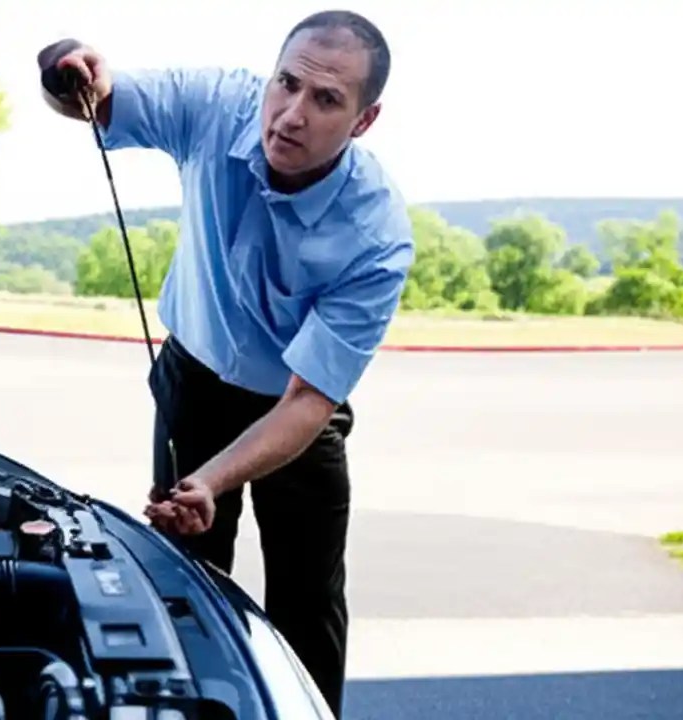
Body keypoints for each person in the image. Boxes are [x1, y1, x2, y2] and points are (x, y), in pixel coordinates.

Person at [37, 10, 413, 718]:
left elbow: (309, 400)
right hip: (193, 381)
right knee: (181, 586)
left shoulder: (377, 233)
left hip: (294, 414)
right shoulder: (217, 105)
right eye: (288, 84)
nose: (292, 115)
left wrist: (212, 479)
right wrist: (65, 65)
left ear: (363, 121)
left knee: (308, 603)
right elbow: (93, 96)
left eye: (327, 100)